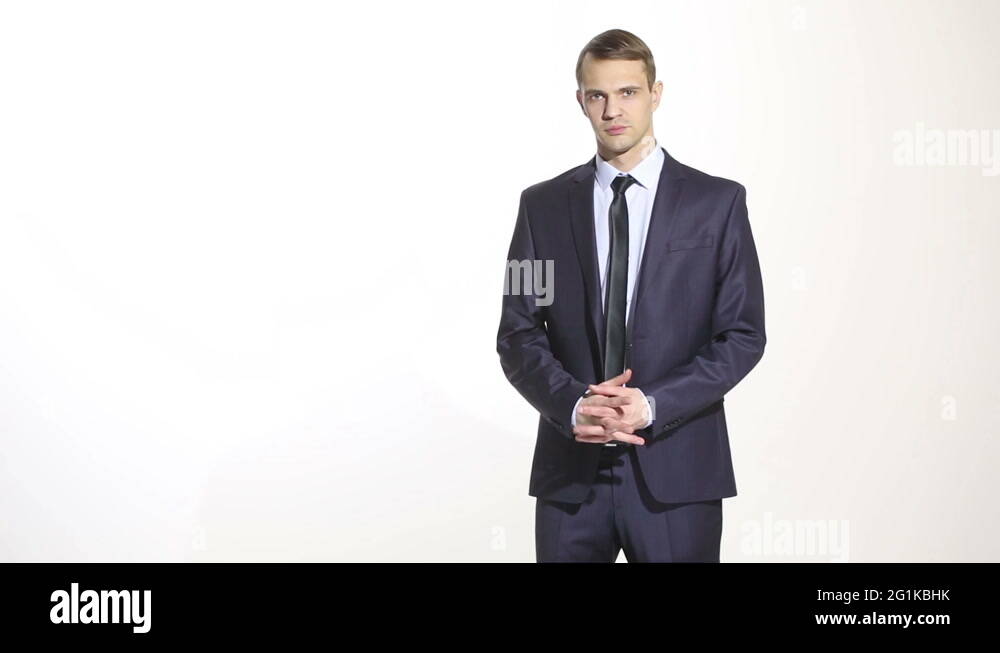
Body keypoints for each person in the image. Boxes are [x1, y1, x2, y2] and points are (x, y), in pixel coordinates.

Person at [496, 28, 766, 562]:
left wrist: (651, 404)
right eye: (597, 95)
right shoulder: (542, 208)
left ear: (655, 94)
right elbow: (519, 333)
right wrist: (574, 404)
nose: (612, 109)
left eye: (628, 92)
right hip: (571, 475)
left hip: (678, 471)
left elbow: (742, 336)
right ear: (580, 101)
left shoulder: (716, 205)